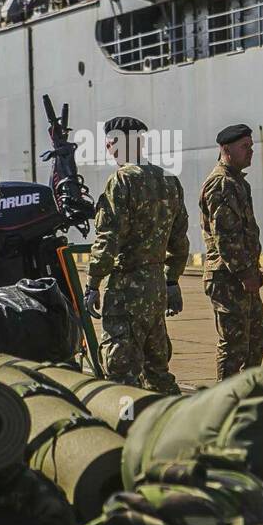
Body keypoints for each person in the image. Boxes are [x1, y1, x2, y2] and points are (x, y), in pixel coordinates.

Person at [83, 117, 189, 394]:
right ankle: (172, 422)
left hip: (126, 289)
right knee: (157, 369)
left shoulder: (122, 180)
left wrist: (93, 284)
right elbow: (179, 240)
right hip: (155, 288)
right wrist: (171, 280)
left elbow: (109, 238)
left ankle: (126, 429)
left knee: (121, 371)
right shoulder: (169, 180)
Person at [199, 123, 263, 381]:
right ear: (226, 149)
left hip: (241, 274)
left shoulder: (238, 182)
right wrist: (244, 272)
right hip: (227, 277)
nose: (251, 152)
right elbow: (226, 236)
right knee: (234, 344)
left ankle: (246, 389)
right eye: (245, 147)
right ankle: (224, 398)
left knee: (257, 333)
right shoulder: (221, 183)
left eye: (251, 147)